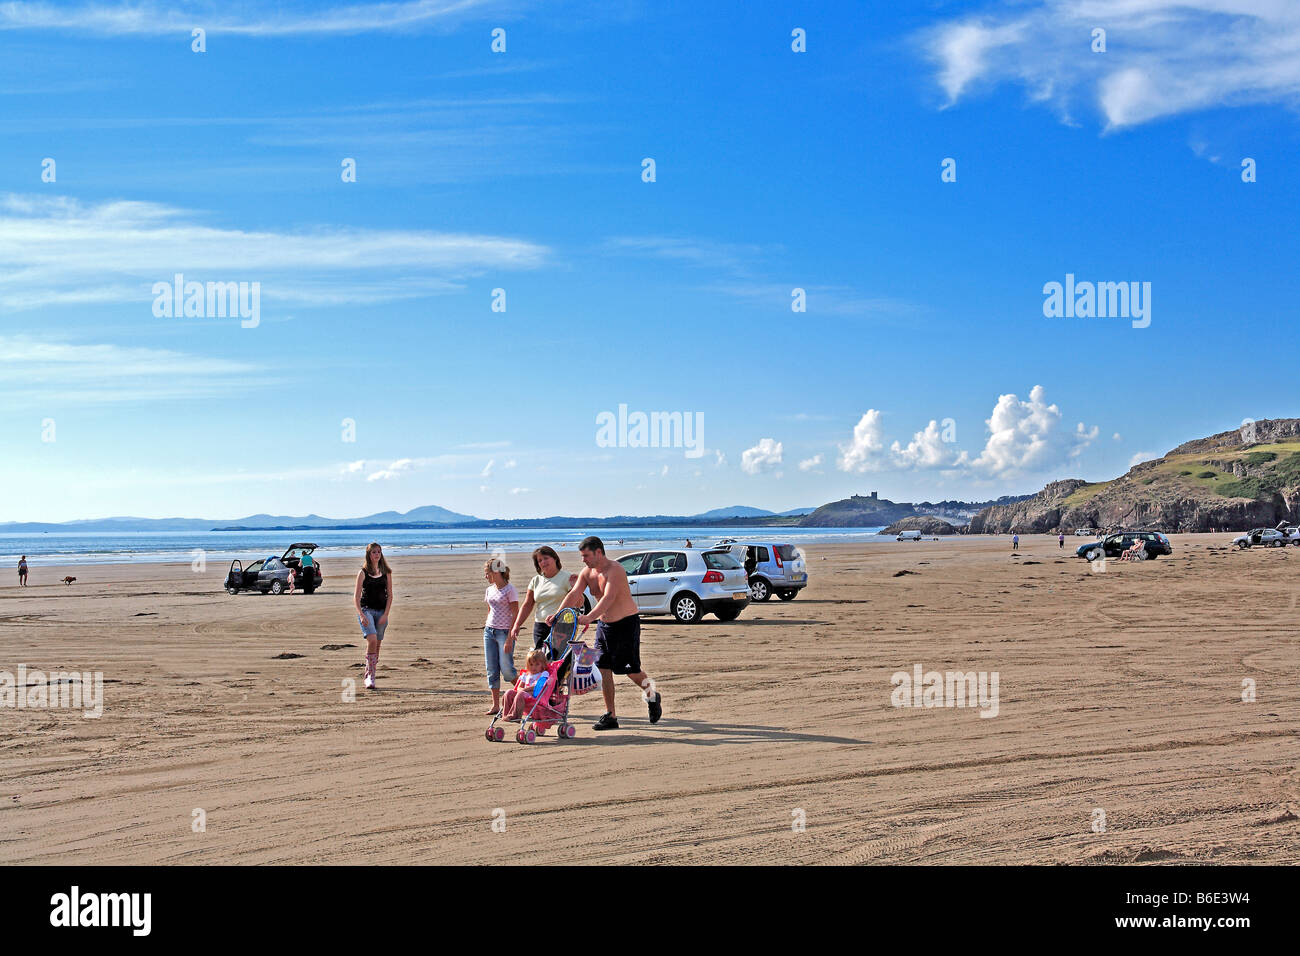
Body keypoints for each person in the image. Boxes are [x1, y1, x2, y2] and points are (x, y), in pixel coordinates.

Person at [552, 535, 661, 731]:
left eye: (586, 555)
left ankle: (652, 694)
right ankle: (611, 715)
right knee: (604, 669)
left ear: (599, 553)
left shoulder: (615, 570)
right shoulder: (587, 573)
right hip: (605, 627)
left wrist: (590, 616)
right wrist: (558, 615)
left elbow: (608, 598)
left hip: (626, 625)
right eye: (582, 556)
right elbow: (574, 594)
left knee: (631, 671)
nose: (583, 559)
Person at [510, 546, 578, 651]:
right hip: (540, 626)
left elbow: (579, 602)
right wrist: (517, 625)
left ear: (555, 558)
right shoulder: (535, 580)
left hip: (562, 626)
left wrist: (575, 588)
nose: (543, 562)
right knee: (540, 660)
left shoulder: (567, 577)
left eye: (546, 558)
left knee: (559, 661)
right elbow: (527, 605)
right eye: (540, 560)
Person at [353, 543, 392, 690]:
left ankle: (372, 674)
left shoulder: (386, 572)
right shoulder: (362, 573)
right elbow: (356, 597)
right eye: (374, 552)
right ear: (369, 555)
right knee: (372, 640)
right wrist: (361, 614)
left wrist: (386, 614)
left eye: (379, 552)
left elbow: (390, 595)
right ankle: (368, 676)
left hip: (381, 612)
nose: (377, 555)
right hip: (366, 610)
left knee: (378, 645)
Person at [483, 558, 520, 715]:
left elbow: (515, 613)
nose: (486, 576)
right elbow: (490, 609)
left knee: (507, 670)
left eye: (487, 573)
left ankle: (526, 691)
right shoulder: (490, 589)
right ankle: (495, 705)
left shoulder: (510, 590)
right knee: (492, 669)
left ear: (496, 572)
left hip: (504, 633)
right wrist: (487, 626)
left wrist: (510, 637)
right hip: (489, 631)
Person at [500, 647, 551, 721]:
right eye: (531, 664)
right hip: (523, 695)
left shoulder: (543, 674)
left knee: (521, 694)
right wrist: (521, 690)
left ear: (542, 665)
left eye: (537, 664)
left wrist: (523, 690)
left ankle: (515, 716)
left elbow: (537, 686)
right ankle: (506, 714)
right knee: (509, 692)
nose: (533, 667)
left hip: (535, 696)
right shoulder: (526, 674)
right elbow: (519, 687)